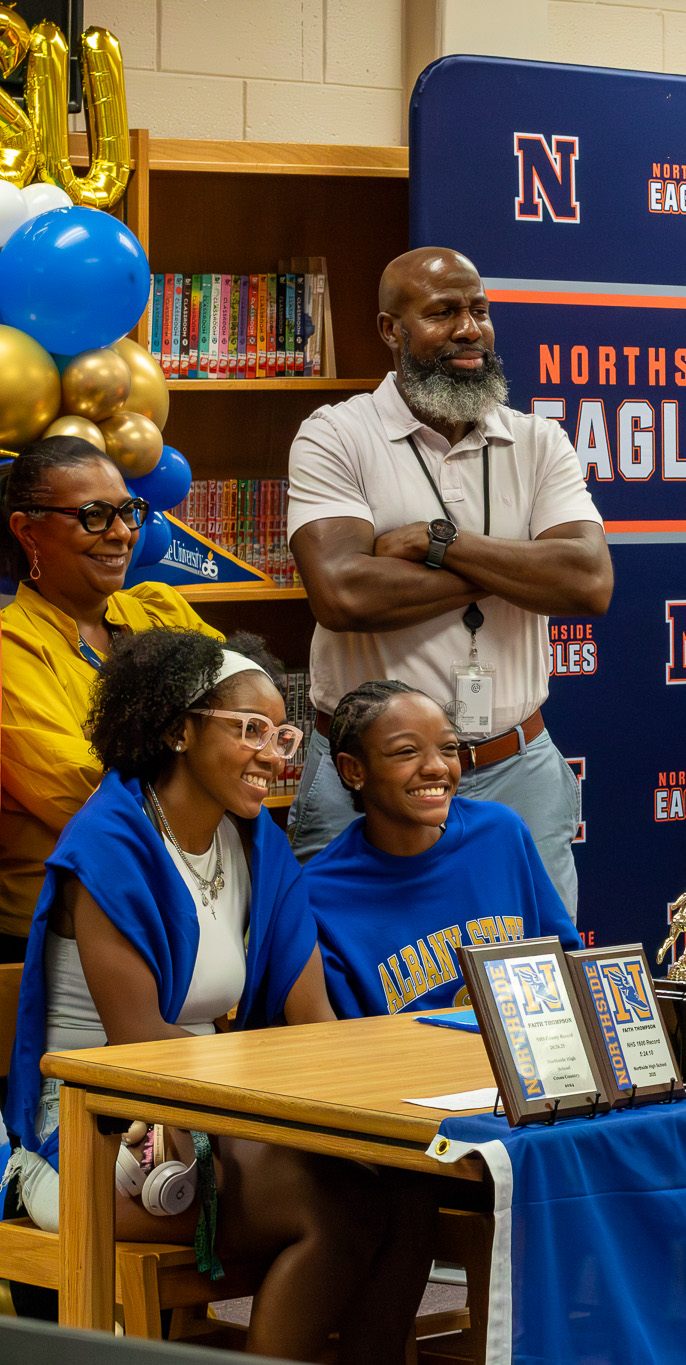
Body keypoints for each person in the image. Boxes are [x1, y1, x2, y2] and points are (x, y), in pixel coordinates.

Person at [2, 629, 434, 1361]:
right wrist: (266, 1079)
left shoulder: (258, 843)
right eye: (250, 731)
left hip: (208, 1102)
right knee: (331, 1206)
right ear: (178, 729)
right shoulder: (109, 841)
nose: (275, 754)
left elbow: (313, 1020)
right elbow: (137, 1040)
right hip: (97, 1125)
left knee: (409, 1191)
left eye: (283, 733)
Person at [286, 246, 612, 916]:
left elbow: (587, 583)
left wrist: (442, 544)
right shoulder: (336, 436)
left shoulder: (539, 441)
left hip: (515, 768)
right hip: (366, 779)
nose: (470, 329)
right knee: (358, 994)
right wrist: (517, 566)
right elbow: (343, 592)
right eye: (443, 312)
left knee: (537, 989)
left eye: (479, 310)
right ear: (390, 330)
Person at [1, 436, 222, 959]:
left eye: (128, 511)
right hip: (58, 935)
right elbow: (87, 797)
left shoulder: (159, 611)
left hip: (186, 909)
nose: (122, 533)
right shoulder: (11, 648)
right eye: (95, 515)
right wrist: (205, 771)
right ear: (28, 531)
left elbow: (249, 712)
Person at [307, 679, 579, 1018]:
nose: (437, 767)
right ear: (353, 769)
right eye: (407, 751)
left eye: (449, 749)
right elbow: (340, 1041)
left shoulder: (501, 833)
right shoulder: (319, 894)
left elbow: (565, 962)